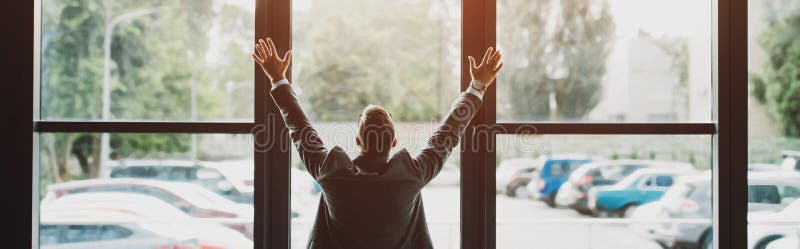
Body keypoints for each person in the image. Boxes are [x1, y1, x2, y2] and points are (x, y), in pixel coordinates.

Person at [252, 37, 503, 249]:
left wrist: (277, 78)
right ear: (394, 141)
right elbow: (448, 134)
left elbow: (299, 127)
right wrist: (477, 86)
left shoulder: (332, 174)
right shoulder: (411, 176)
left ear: (358, 140)